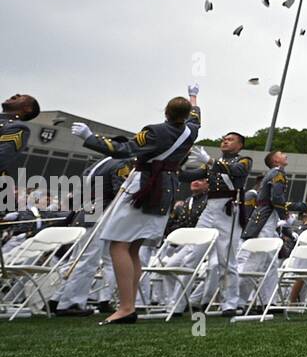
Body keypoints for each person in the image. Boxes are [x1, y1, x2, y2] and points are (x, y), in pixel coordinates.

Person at [96, 88, 201, 325]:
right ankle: (128, 305)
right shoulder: (191, 131)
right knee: (132, 248)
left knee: (118, 245)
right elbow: (196, 118)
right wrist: (194, 98)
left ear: (166, 111)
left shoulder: (155, 131)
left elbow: (124, 149)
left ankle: (125, 307)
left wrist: (88, 137)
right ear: (186, 115)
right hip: (164, 190)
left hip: (145, 187)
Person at [54, 129, 138, 316]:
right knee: (88, 260)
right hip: (101, 215)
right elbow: (120, 193)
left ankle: (58, 298)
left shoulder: (95, 165)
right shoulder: (121, 163)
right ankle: (72, 303)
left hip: (83, 213)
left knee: (80, 259)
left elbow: (77, 195)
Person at [178, 129, 252, 313]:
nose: (225, 142)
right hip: (209, 208)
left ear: (240, 145)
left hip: (229, 208)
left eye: (230, 140)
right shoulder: (211, 165)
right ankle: (178, 302)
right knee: (192, 254)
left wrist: (210, 161)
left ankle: (229, 303)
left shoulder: (244, 160)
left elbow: (236, 171)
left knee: (226, 260)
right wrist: (181, 157)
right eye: (224, 139)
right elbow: (185, 176)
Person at [237, 150, 292, 313]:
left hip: (266, 218)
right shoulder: (278, 172)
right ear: (276, 161)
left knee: (270, 263)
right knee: (257, 260)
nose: (286, 156)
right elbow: (276, 196)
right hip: (265, 220)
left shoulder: (274, 172)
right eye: (283, 154)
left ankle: (269, 302)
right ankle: (239, 300)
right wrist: (284, 214)